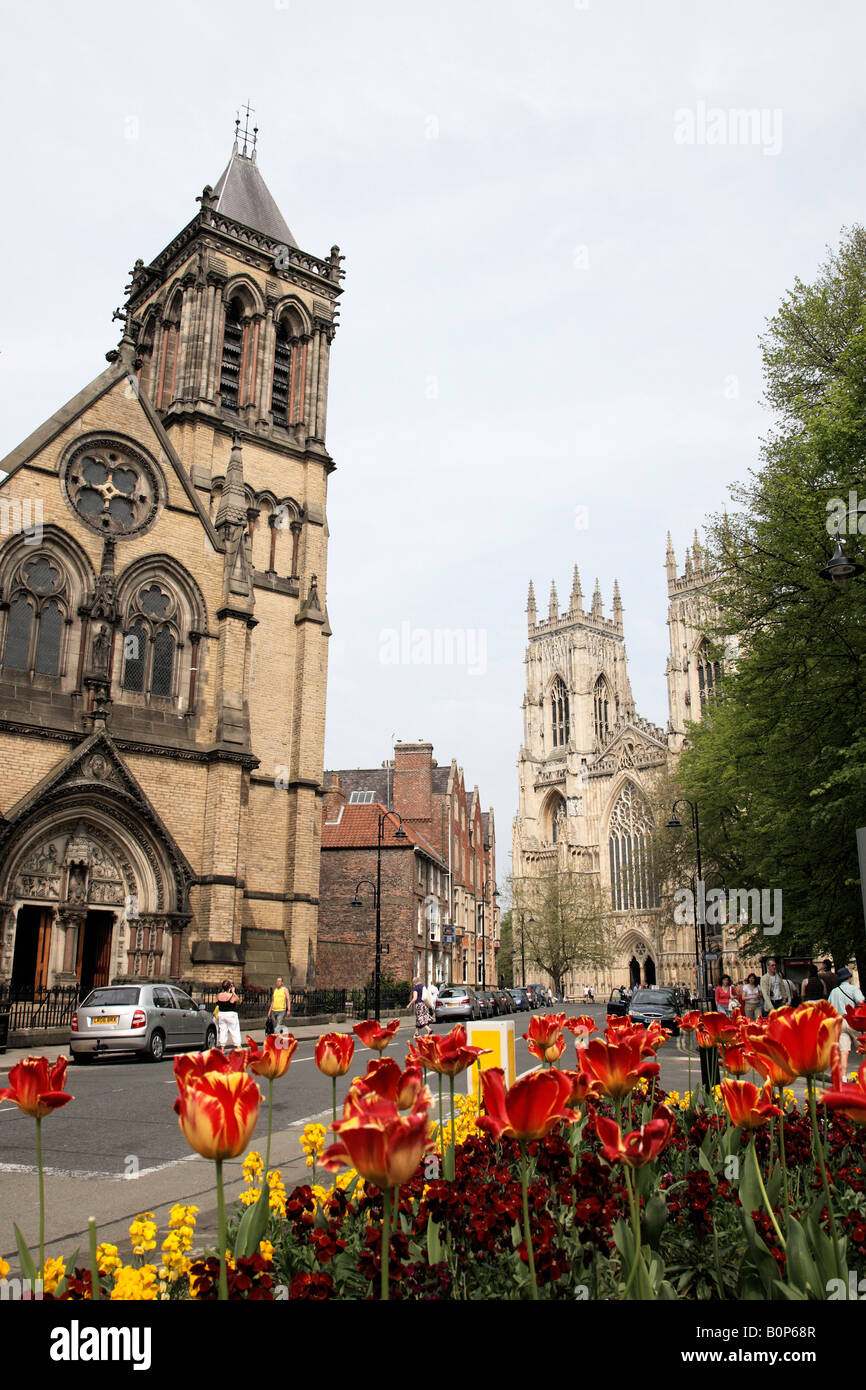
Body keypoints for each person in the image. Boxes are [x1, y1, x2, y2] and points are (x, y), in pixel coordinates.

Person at [828, 967, 865, 1077]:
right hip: (852, 1021)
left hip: (839, 1023)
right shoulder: (853, 989)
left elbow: (829, 1007)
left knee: (844, 1051)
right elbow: (860, 1001)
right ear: (849, 978)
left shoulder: (834, 991)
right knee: (864, 1047)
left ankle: (843, 1077)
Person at [216, 978, 241, 1050]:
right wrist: (233, 992)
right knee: (235, 1031)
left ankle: (222, 1048)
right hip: (231, 1014)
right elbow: (237, 999)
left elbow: (217, 1002)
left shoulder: (219, 995)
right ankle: (238, 1047)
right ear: (230, 987)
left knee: (223, 1031)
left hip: (221, 1014)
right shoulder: (231, 996)